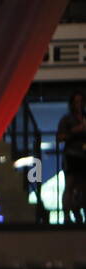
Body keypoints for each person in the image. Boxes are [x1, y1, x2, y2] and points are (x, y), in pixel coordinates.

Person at [57, 92, 86, 224]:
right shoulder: (67, 119)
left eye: (81, 102)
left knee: (82, 187)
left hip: (83, 155)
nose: (79, 105)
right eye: (76, 102)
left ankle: (77, 209)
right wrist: (76, 130)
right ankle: (67, 215)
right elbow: (60, 138)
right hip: (72, 155)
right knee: (69, 185)